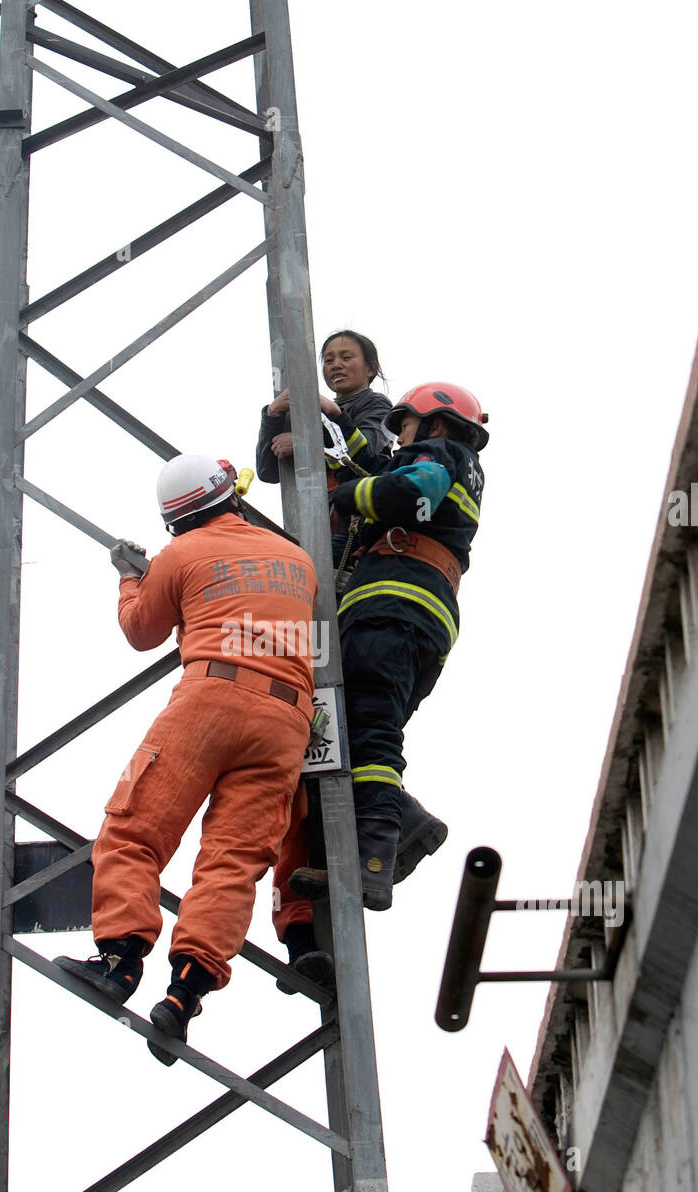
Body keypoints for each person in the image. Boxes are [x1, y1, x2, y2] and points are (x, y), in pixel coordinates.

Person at [55, 453, 318, 1064]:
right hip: (287, 720)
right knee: (232, 860)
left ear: (177, 521)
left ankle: (119, 962)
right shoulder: (297, 560)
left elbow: (141, 631)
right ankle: (184, 995)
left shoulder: (178, 555)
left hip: (212, 697)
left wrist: (131, 579)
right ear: (233, 495)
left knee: (133, 829)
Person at [282, 382, 489, 929]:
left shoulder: (441, 454)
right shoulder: (450, 460)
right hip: (419, 615)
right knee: (349, 732)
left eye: (406, 424)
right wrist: (331, 420)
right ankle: (407, 825)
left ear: (436, 424)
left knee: (366, 730)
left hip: (392, 606)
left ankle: (372, 859)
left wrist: (337, 496)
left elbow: (397, 491)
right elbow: (378, 464)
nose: (399, 435)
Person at [256, 329, 394, 571]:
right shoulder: (310, 411)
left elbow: (366, 455)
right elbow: (268, 470)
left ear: (370, 369)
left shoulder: (375, 404)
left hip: (354, 525)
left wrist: (304, 442)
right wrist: (273, 414)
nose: (336, 365)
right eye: (329, 360)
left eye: (346, 357)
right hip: (313, 524)